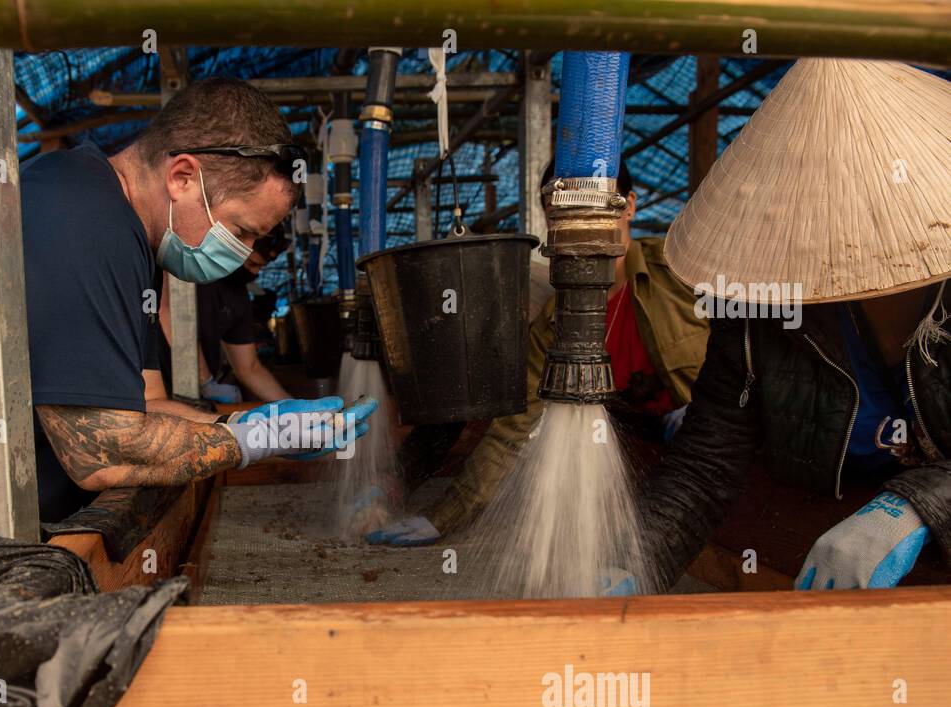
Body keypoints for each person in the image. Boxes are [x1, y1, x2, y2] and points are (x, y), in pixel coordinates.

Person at [0, 77, 377, 707]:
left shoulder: (104, 218)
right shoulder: (85, 225)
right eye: (243, 229)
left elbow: (140, 403)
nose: (239, 251)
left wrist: (263, 419)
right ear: (185, 177)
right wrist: (250, 441)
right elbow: (100, 450)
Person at [633, 58, 951, 592]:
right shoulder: (762, 303)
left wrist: (914, 507)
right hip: (826, 516)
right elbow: (705, 464)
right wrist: (632, 561)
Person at [370, 158, 707, 545]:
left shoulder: (681, 270)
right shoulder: (553, 324)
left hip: (706, 439)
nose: (583, 229)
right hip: (638, 445)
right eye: (560, 217)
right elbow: (512, 432)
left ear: (629, 206)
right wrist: (444, 518)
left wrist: (710, 408)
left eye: (597, 212)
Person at [157, 222, 292, 403]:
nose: (255, 272)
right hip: (159, 389)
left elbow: (249, 368)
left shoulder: (238, 297)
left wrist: (292, 406)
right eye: (252, 263)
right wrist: (206, 382)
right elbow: (169, 313)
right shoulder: (191, 269)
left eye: (260, 267)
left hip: (197, 400)